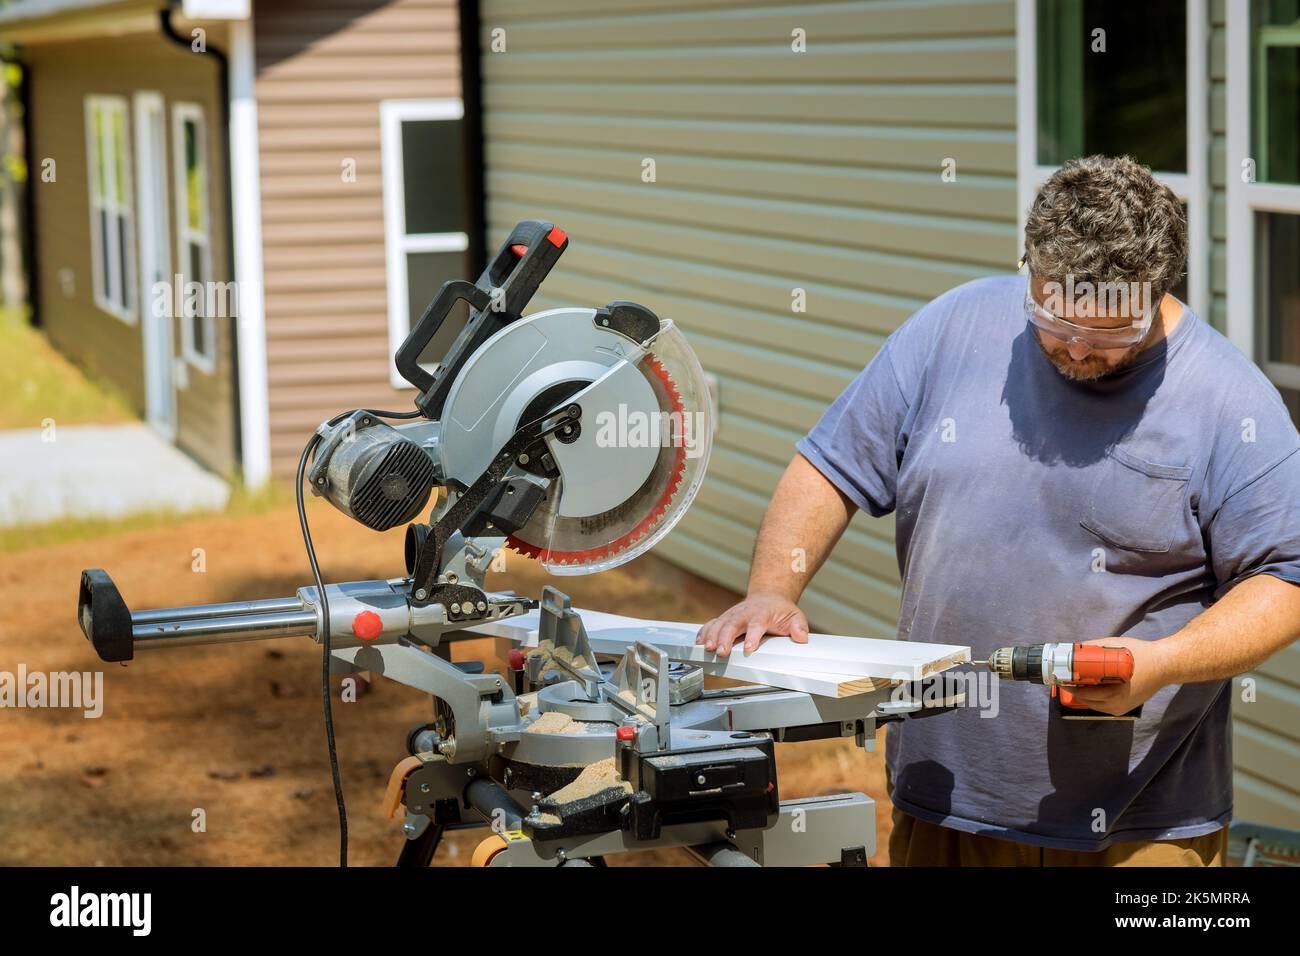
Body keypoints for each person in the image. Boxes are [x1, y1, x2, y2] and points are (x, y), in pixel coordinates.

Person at [696, 155, 1300, 866]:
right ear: (1028, 267)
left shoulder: (1228, 400)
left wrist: (1162, 663)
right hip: (945, 797)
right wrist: (773, 588)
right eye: (1052, 319)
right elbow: (828, 468)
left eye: (1109, 334)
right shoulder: (951, 328)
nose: (1076, 348)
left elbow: (1286, 580)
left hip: (1141, 823)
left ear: (1157, 292)